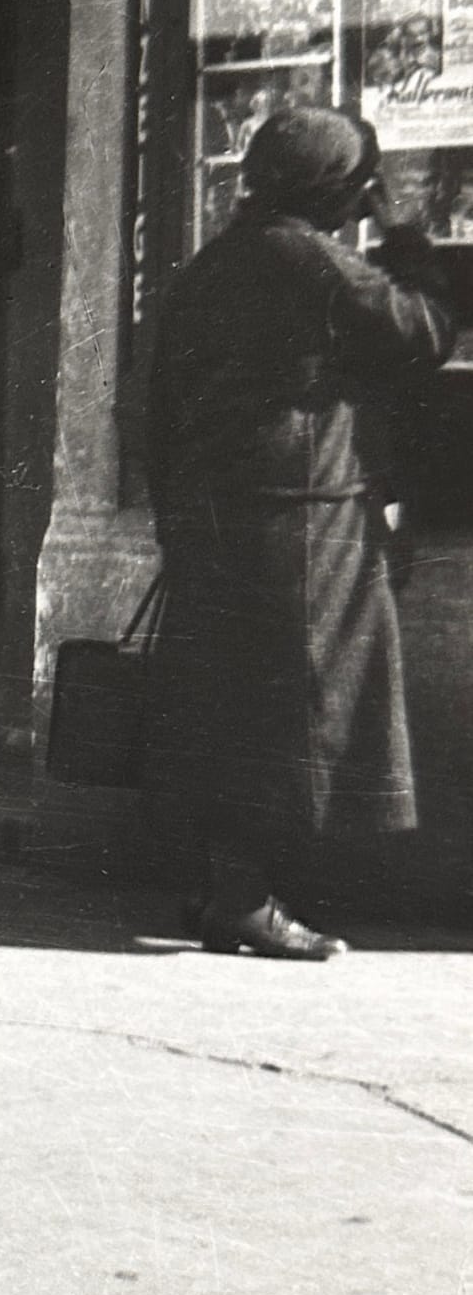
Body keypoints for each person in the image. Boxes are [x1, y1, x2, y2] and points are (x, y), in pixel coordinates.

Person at [145, 106, 462, 958]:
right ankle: (244, 902)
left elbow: (159, 411)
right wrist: (406, 236)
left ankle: (223, 890)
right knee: (293, 714)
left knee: (233, 706)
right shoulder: (314, 261)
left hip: (218, 516)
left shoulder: (208, 267)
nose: (362, 198)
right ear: (329, 185)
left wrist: (177, 521)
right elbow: (425, 332)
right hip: (302, 520)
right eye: (358, 183)